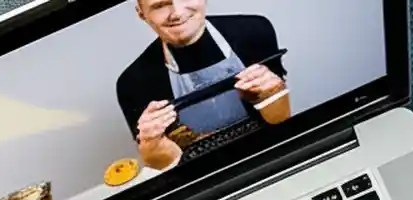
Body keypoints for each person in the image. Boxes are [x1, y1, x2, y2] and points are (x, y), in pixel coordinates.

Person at [116, 0, 290, 170]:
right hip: (199, 174)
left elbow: (281, 120)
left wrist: (272, 93)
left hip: (271, 153)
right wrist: (152, 144)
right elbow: (162, 164)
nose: (177, 13)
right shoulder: (132, 82)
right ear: (141, 13)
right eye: (160, 5)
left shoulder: (254, 31)